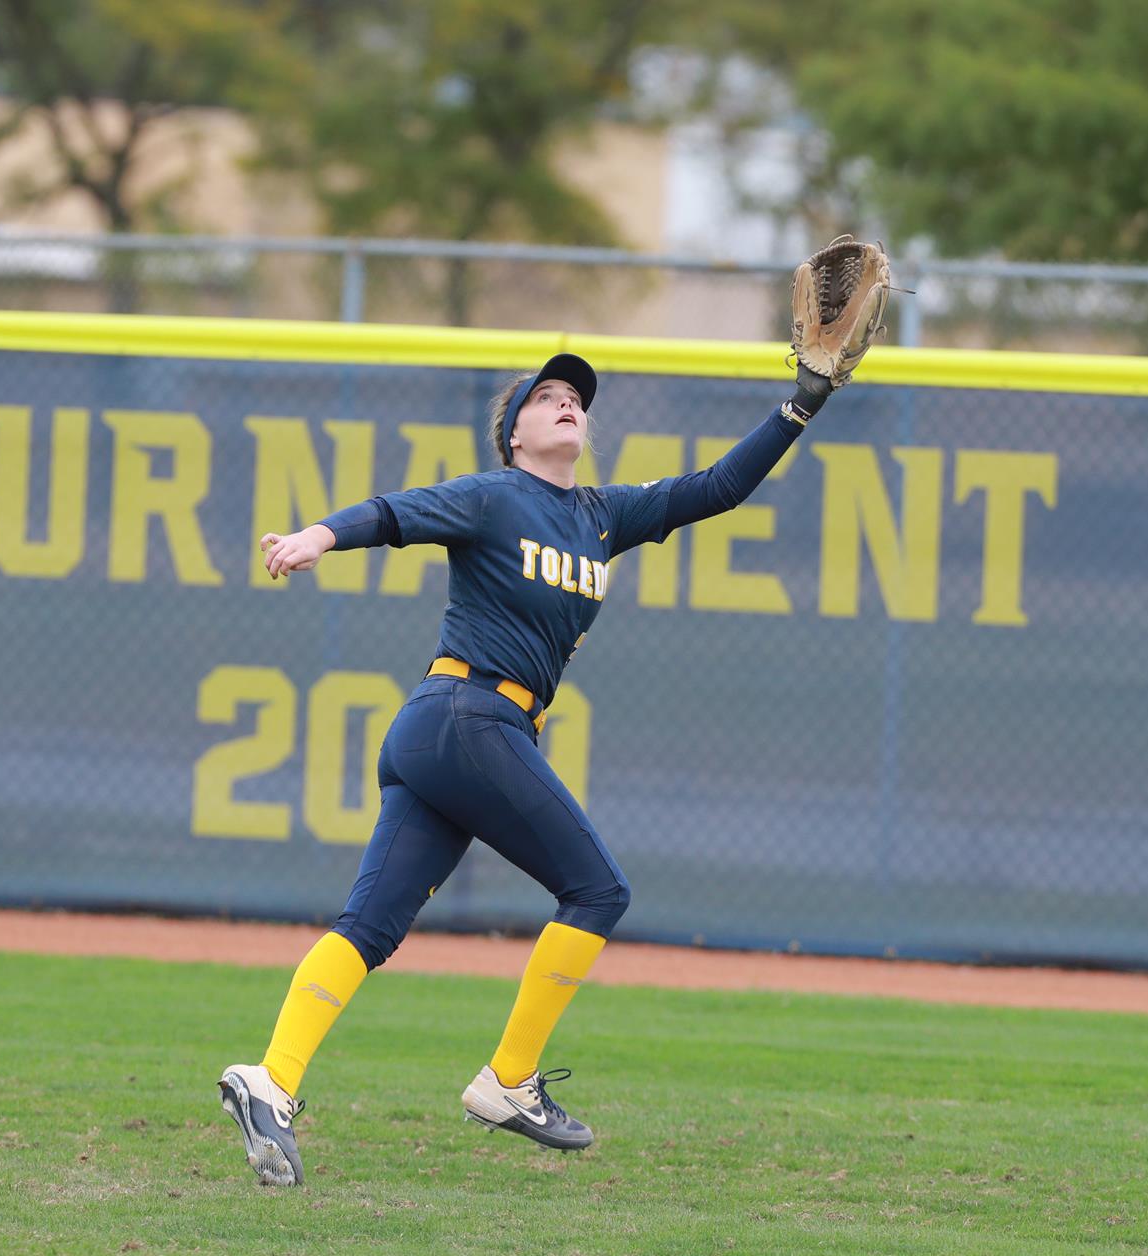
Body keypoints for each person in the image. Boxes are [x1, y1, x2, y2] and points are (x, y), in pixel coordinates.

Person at [217, 348, 842, 1187]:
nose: (567, 405)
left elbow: (717, 488)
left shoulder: (602, 516)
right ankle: (508, 1080)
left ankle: (271, 1079)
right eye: (546, 397)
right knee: (598, 888)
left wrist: (802, 404)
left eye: (576, 399)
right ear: (514, 436)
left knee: (369, 927)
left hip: (446, 734)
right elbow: (396, 512)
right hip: (467, 716)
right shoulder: (494, 494)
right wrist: (316, 537)